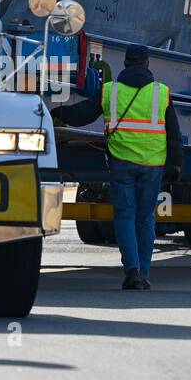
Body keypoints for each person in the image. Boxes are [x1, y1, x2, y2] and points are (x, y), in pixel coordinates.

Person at [51, 44, 182, 290]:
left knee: (124, 215)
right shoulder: (161, 93)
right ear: (147, 64)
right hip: (152, 164)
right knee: (145, 218)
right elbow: (174, 134)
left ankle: (131, 269)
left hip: (122, 162)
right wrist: (176, 164)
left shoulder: (110, 90)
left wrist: (55, 112)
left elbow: (83, 114)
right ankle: (143, 273)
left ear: (124, 64)